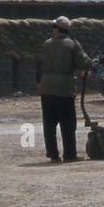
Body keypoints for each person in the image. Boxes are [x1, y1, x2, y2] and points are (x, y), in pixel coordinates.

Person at [38, 16, 90, 163]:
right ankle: (69, 155)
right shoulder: (72, 44)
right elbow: (83, 63)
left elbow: (40, 64)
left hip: (46, 88)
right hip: (64, 90)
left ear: (56, 28)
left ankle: (53, 155)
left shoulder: (46, 44)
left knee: (49, 124)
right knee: (67, 124)